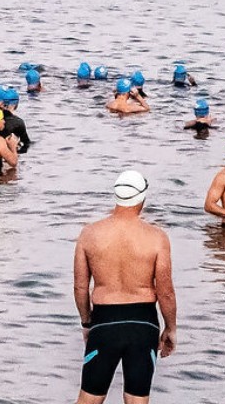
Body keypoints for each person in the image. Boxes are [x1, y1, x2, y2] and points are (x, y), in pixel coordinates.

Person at [73, 171, 177, 404]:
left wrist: (87, 322)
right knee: (137, 401)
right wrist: (170, 328)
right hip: (143, 324)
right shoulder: (157, 237)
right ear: (143, 198)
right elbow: (166, 292)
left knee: (87, 400)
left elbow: (80, 287)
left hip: (104, 322)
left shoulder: (89, 234)